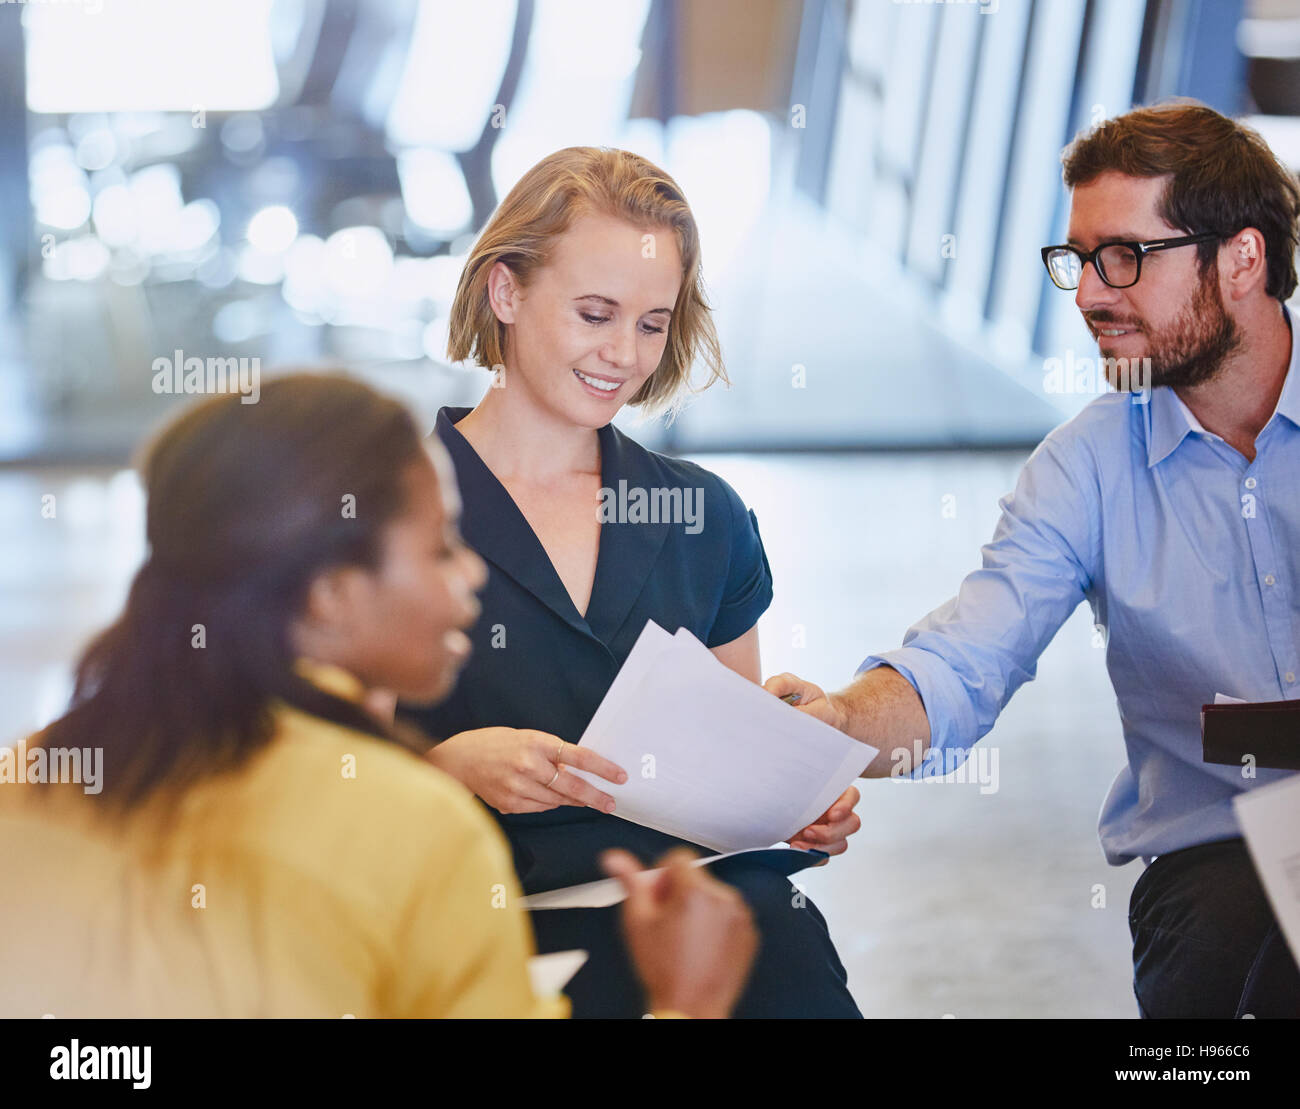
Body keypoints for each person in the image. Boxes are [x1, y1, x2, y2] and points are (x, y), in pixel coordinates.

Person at [765, 101, 1300, 1018]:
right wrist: (836, 725)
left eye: (1125, 256)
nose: (1091, 293)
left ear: (1242, 259)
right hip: (1215, 867)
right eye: (1080, 260)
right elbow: (969, 657)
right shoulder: (1085, 466)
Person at [0, 374, 756, 1019]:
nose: (468, 576)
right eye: (440, 548)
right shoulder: (419, 831)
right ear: (330, 594)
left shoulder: (26, 780)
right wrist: (684, 999)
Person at [398, 146, 863, 1018]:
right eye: (595, 313)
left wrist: (794, 802)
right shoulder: (393, 513)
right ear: (506, 293)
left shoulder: (704, 514)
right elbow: (311, 776)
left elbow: (730, 777)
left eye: (652, 323)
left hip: (683, 904)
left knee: (778, 922)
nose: (623, 353)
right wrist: (446, 767)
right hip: (481, 918)